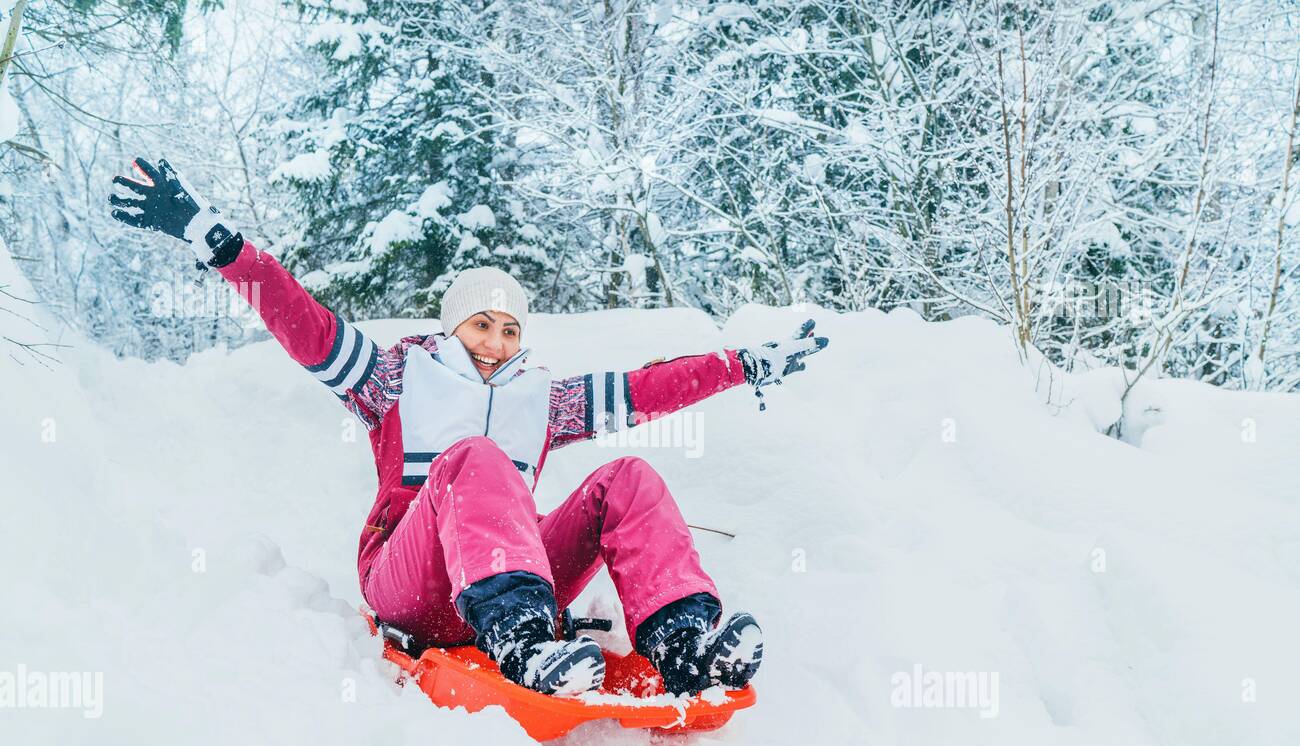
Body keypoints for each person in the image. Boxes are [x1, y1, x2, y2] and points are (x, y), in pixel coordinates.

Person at [109, 157, 829, 697]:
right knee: (476, 458)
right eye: (481, 323)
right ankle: (523, 647)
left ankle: (683, 643)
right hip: (412, 582)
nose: (496, 338)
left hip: (511, 578)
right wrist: (216, 239)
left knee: (630, 480)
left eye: (510, 327)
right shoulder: (394, 376)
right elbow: (304, 323)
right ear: (452, 326)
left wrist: (741, 365)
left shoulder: (543, 401)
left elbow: (645, 388)